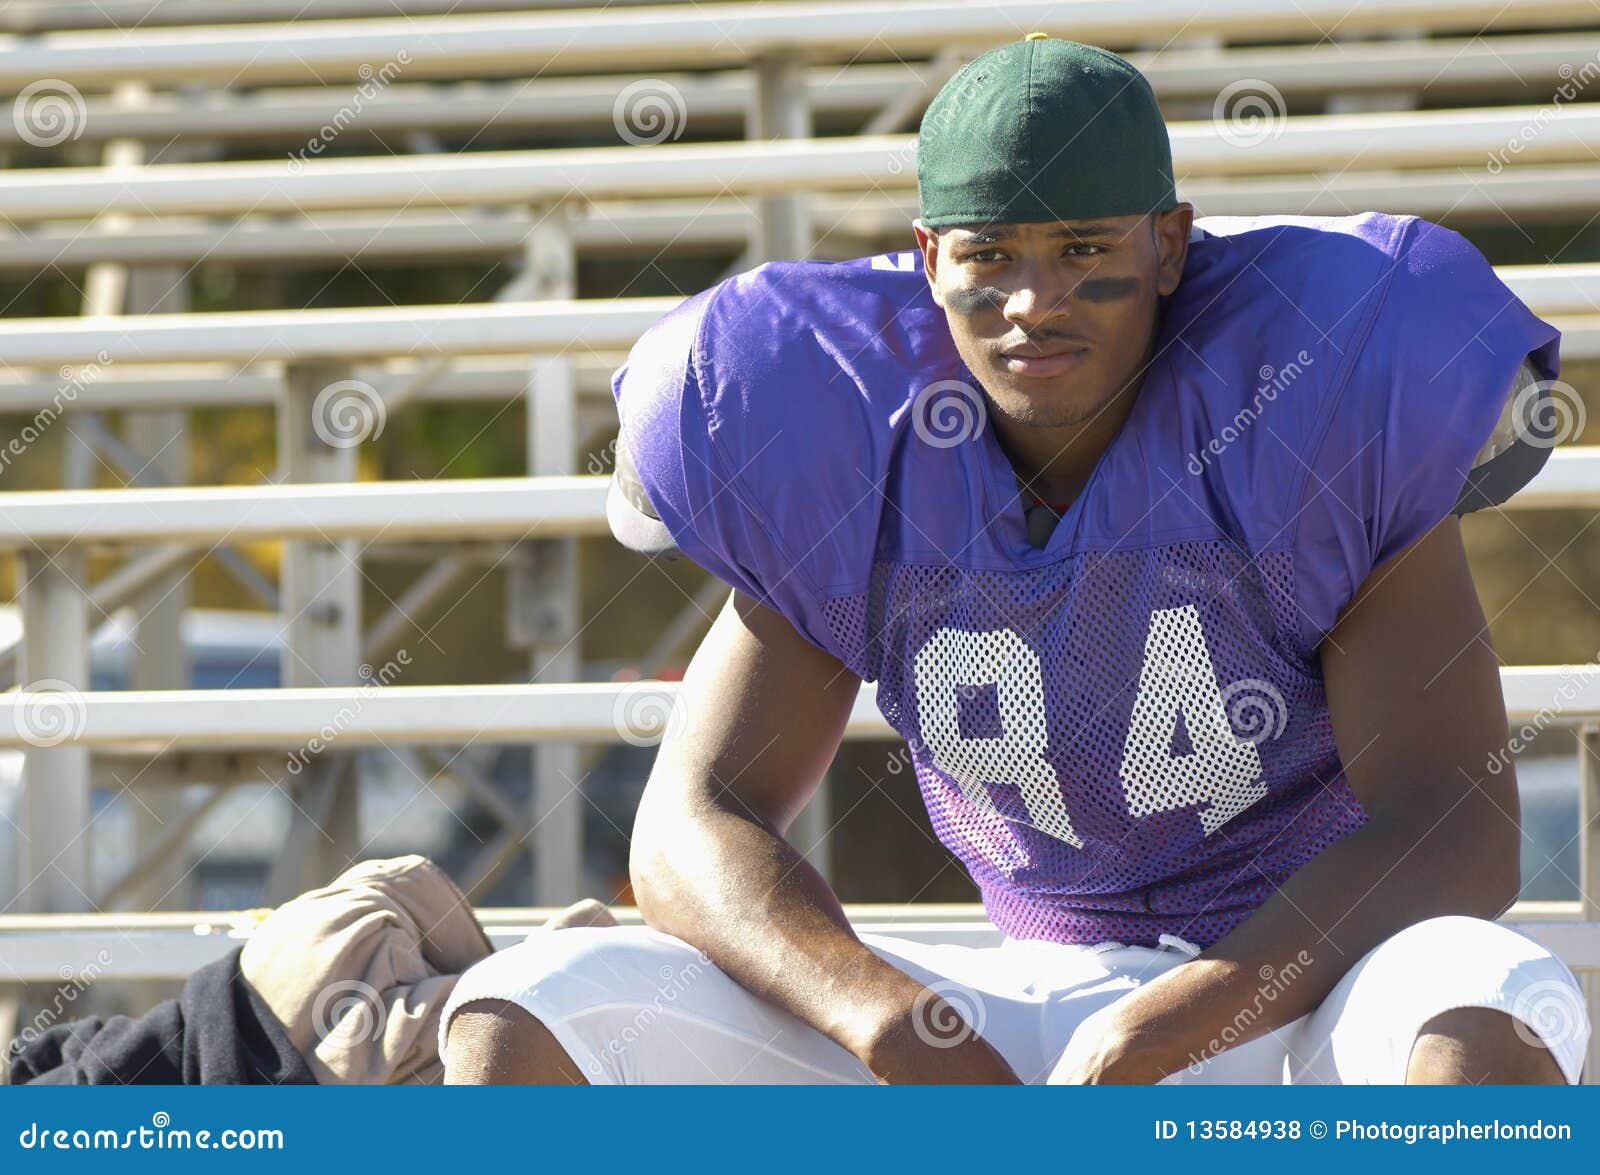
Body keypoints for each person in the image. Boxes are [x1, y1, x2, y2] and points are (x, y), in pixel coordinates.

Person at [442, 34, 1590, 1084]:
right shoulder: (844, 432)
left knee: (1478, 1009)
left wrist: (1180, 1018)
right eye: (990, 255)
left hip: (1296, 995)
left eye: (1084, 248)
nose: (1033, 302)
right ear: (928, 258)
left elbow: (1454, 823)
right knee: (526, 1006)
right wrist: (889, 1020)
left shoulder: (1311, 398)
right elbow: (689, 822)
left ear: (1169, 244)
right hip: (1014, 994)